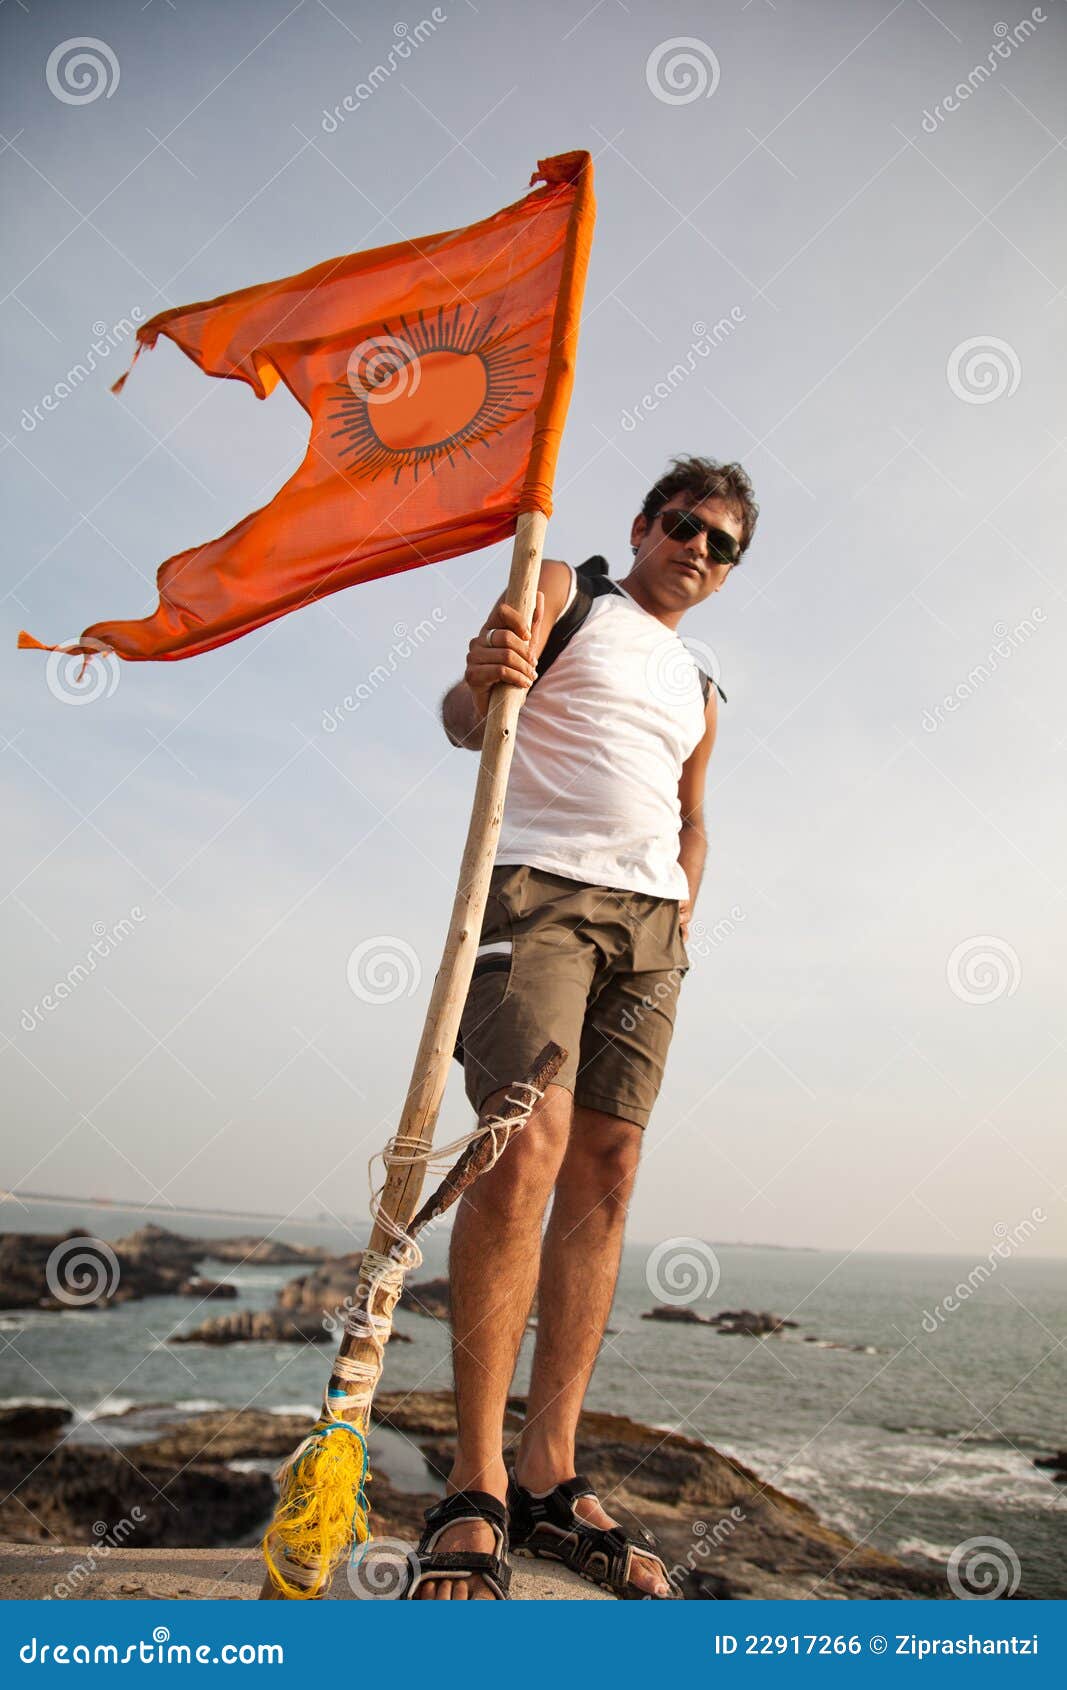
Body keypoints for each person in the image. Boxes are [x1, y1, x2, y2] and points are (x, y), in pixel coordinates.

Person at [407, 456, 758, 1600]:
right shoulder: (563, 587)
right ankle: (472, 1484)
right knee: (521, 1152)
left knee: (605, 1171)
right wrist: (477, 677)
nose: (698, 551)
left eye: (722, 544)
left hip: (651, 931)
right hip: (536, 896)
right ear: (644, 525)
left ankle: (547, 1473)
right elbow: (467, 721)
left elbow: (694, 815)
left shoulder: (702, 682)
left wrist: (683, 900)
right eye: (684, 525)